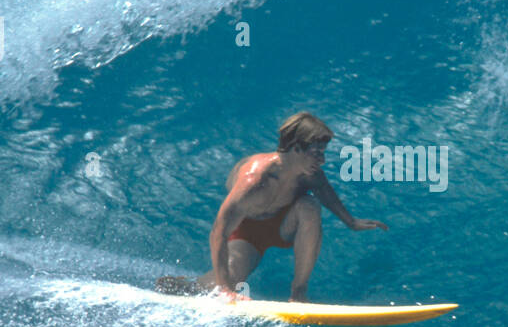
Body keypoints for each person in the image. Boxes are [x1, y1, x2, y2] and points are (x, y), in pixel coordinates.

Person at [156, 112, 387, 303]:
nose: (322, 161)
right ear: (296, 148)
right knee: (231, 277)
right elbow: (219, 232)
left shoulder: (309, 174)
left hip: (283, 222)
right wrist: (225, 290)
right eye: (317, 153)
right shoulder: (253, 180)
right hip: (247, 230)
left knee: (309, 205)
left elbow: (325, 193)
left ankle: (298, 292)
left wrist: (351, 222)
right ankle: (187, 286)